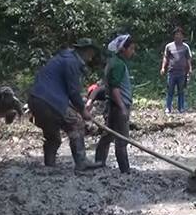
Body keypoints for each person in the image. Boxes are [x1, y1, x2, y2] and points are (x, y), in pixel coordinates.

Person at [27, 39, 102, 170]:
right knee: (77, 123)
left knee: (53, 136)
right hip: (49, 101)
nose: (90, 59)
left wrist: (75, 106)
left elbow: (63, 89)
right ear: (87, 51)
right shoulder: (71, 62)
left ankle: (49, 165)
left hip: (36, 100)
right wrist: (83, 111)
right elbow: (73, 92)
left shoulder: (61, 58)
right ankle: (81, 162)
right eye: (91, 55)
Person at [95, 34, 137, 173]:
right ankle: (125, 170)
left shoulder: (113, 62)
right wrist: (122, 107)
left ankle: (99, 162)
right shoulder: (118, 64)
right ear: (123, 49)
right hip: (118, 106)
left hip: (112, 106)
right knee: (122, 139)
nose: (132, 52)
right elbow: (114, 88)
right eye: (131, 49)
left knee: (108, 135)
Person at [161, 27, 193, 114]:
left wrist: (190, 68)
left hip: (182, 72)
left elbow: (188, 58)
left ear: (183, 36)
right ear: (174, 36)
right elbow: (165, 57)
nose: (178, 36)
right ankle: (168, 108)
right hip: (171, 72)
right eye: (176, 34)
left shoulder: (186, 47)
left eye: (180, 34)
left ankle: (181, 108)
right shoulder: (169, 46)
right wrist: (163, 67)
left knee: (181, 91)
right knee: (170, 90)